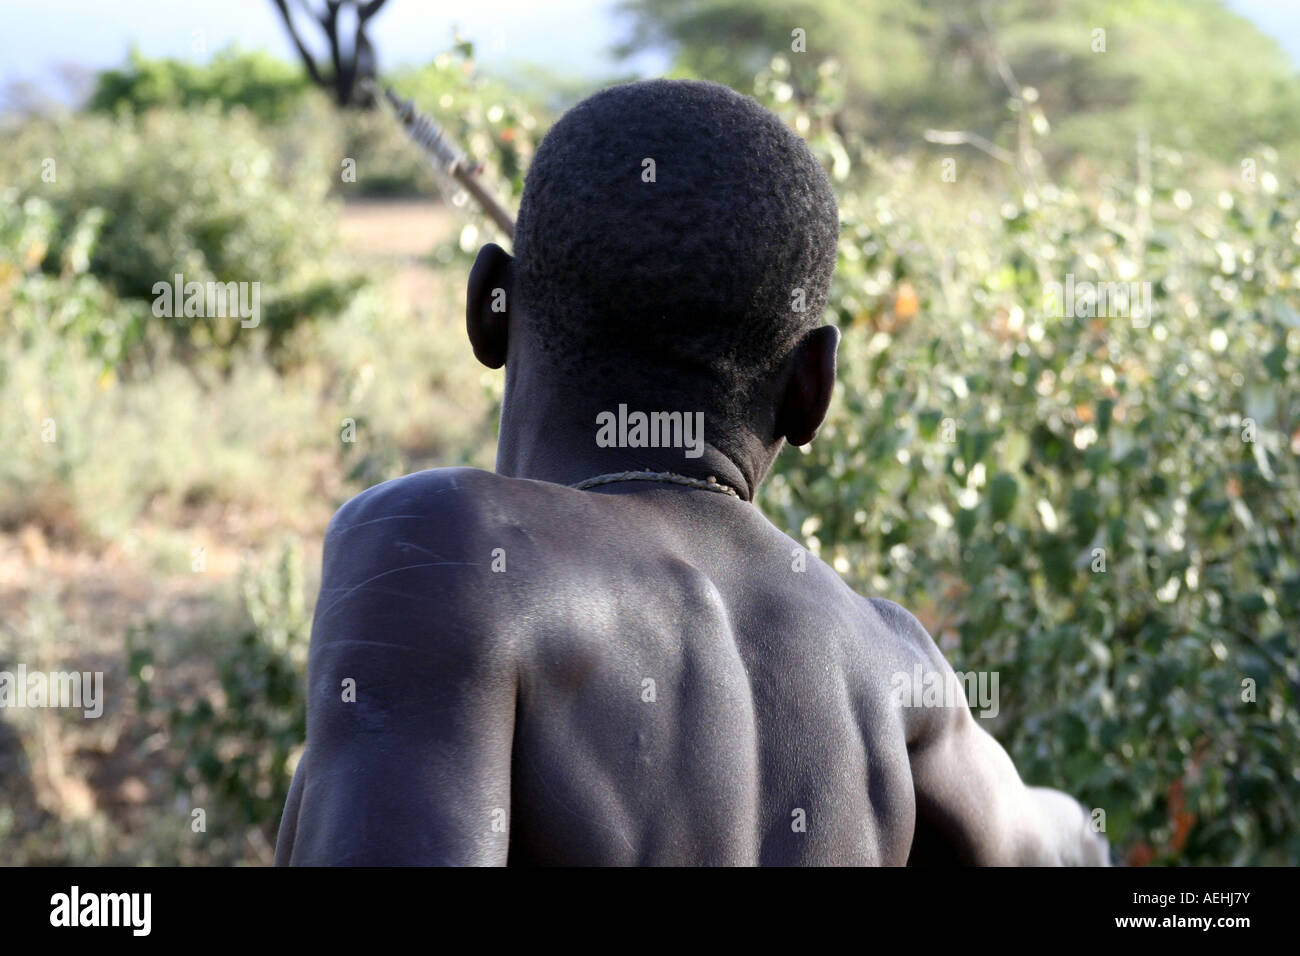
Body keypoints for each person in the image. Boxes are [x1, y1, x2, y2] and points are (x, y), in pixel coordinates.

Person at [274, 79, 1109, 866]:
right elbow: (1043, 836)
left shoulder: (451, 552)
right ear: (812, 388)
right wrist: (1087, 838)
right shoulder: (895, 669)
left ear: (490, 307)